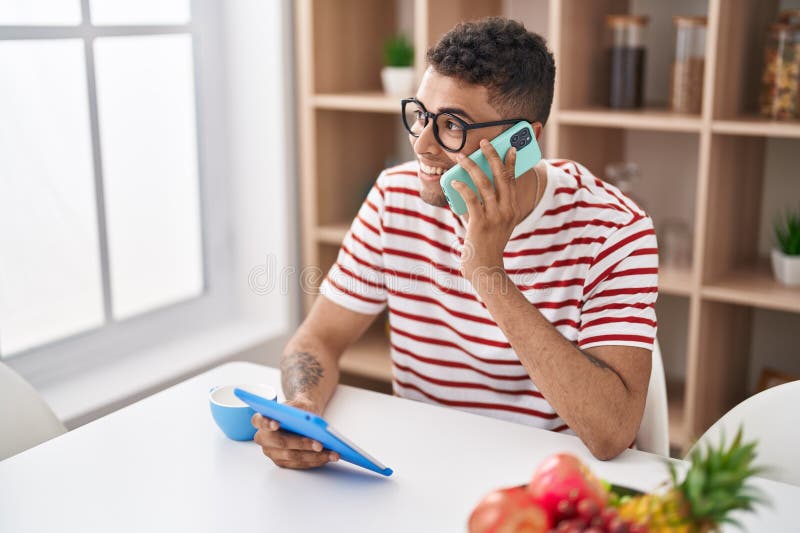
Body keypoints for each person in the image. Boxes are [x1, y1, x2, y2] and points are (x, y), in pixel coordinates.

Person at [252, 17, 658, 467]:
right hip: (427, 464)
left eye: (451, 125)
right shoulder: (395, 195)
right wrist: (302, 407)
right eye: (420, 115)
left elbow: (612, 433)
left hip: (552, 480)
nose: (422, 144)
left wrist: (487, 273)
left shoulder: (614, 230)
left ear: (521, 140)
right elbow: (318, 339)